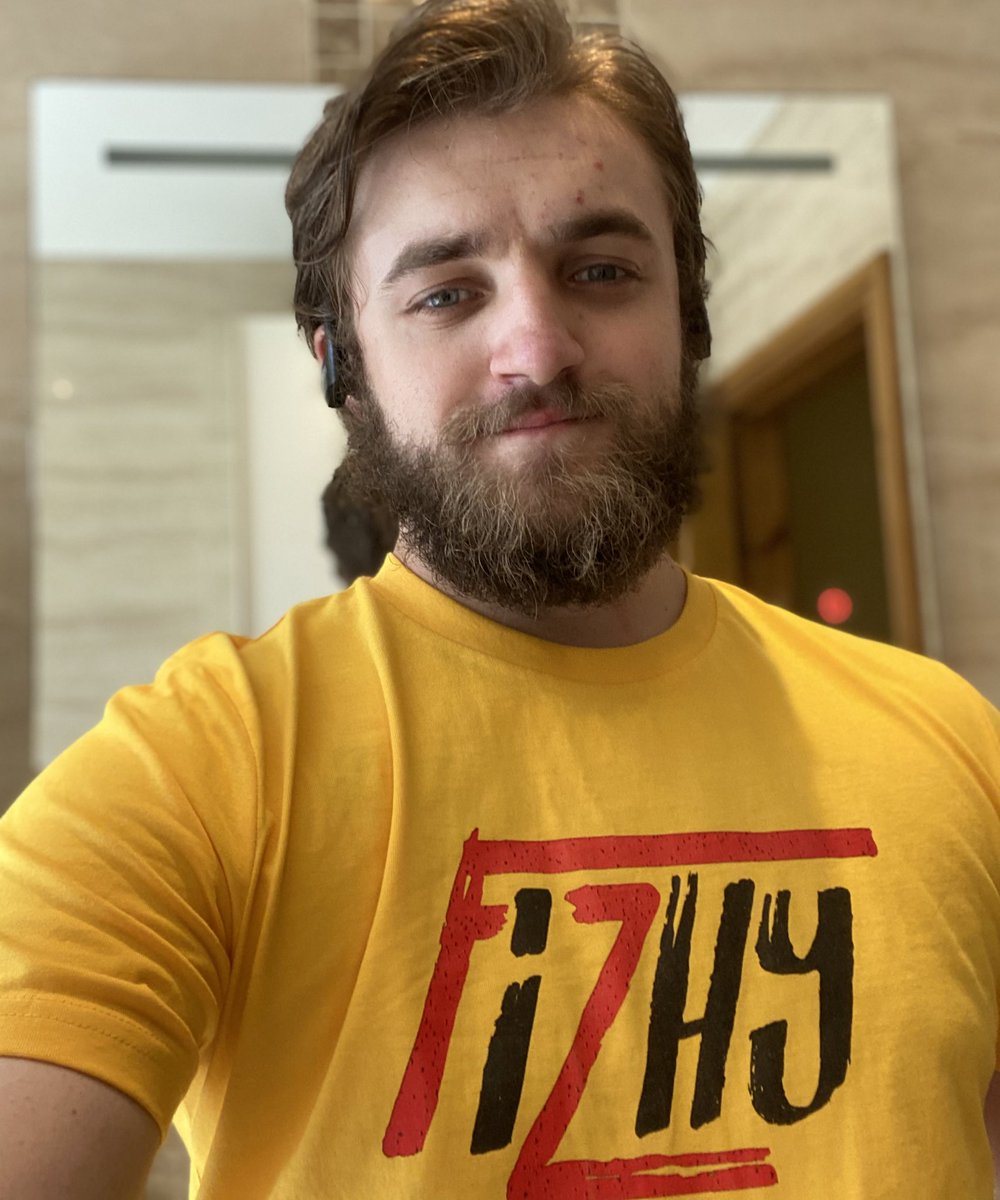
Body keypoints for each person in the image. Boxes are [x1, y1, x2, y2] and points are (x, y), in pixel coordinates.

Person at [1, 0, 998, 1196]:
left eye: (600, 271)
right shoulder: (199, 769)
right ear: (342, 367)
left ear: (686, 316)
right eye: (445, 293)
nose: (537, 346)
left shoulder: (949, 739)